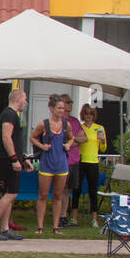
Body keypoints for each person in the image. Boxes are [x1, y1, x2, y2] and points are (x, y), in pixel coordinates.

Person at [0, 89, 30, 241]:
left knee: (8, 194)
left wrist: (22, 158)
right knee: (11, 193)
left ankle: (5, 228)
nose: (26, 102)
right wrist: (14, 159)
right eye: (25, 99)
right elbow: (6, 137)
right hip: (6, 160)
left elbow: (15, 141)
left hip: (10, 158)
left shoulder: (12, 114)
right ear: (18, 99)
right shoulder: (10, 114)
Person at [31, 94, 73, 235]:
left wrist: (68, 144)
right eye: (59, 108)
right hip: (47, 163)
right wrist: (42, 146)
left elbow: (71, 138)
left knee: (58, 195)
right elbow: (33, 137)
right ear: (51, 108)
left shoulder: (66, 125)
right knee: (43, 195)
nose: (62, 110)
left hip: (61, 164)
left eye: (63, 108)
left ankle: (56, 227)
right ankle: (40, 227)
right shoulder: (44, 124)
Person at [73, 103, 107, 227]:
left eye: (91, 113)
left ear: (94, 115)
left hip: (93, 161)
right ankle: (74, 218)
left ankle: (94, 219)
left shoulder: (99, 128)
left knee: (93, 191)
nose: (89, 116)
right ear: (83, 114)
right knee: (76, 189)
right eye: (86, 113)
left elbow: (103, 149)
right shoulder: (80, 128)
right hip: (81, 160)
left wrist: (102, 140)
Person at [58, 95, 86, 227]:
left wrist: (72, 140)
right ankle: (58, 216)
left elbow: (84, 138)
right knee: (61, 188)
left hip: (75, 159)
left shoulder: (74, 121)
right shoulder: (59, 120)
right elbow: (62, 141)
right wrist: (74, 140)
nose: (70, 104)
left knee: (69, 189)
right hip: (63, 159)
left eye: (71, 102)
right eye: (68, 102)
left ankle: (63, 216)